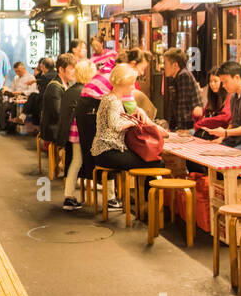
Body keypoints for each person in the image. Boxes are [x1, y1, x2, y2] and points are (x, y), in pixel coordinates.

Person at [89, 63, 155, 209]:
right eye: (131, 84)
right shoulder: (113, 100)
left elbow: (115, 121)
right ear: (123, 83)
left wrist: (130, 117)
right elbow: (116, 125)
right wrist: (133, 122)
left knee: (150, 161)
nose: (133, 87)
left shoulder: (110, 98)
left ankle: (145, 202)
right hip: (108, 152)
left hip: (103, 151)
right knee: (153, 162)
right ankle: (149, 204)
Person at [57, 61, 95, 210]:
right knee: (99, 162)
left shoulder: (70, 90)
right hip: (86, 133)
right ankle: (110, 197)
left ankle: (69, 196)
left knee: (76, 160)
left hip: (71, 133)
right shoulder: (89, 92)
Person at [39, 53, 75, 155]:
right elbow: (58, 112)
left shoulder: (66, 84)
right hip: (54, 129)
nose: (74, 72)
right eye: (71, 68)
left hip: (60, 126)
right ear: (61, 69)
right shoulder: (54, 87)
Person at [161, 47, 203, 132]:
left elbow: (183, 104)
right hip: (183, 126)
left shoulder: (183, 75)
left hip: (188, 127)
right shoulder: (178, 76)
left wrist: (181, 128)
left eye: (165, 64)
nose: (163, 67)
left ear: (175, 65)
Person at [193, 69, 231, 135]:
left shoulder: (229, 96)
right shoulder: (212, 96)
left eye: (215, 81)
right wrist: (197, 114)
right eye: (210, 81)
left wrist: (202, 123)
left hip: (223, 133)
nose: (212, 84)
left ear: (222, 82)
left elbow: (224, 118)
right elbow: (205, 113)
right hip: (211, 132)